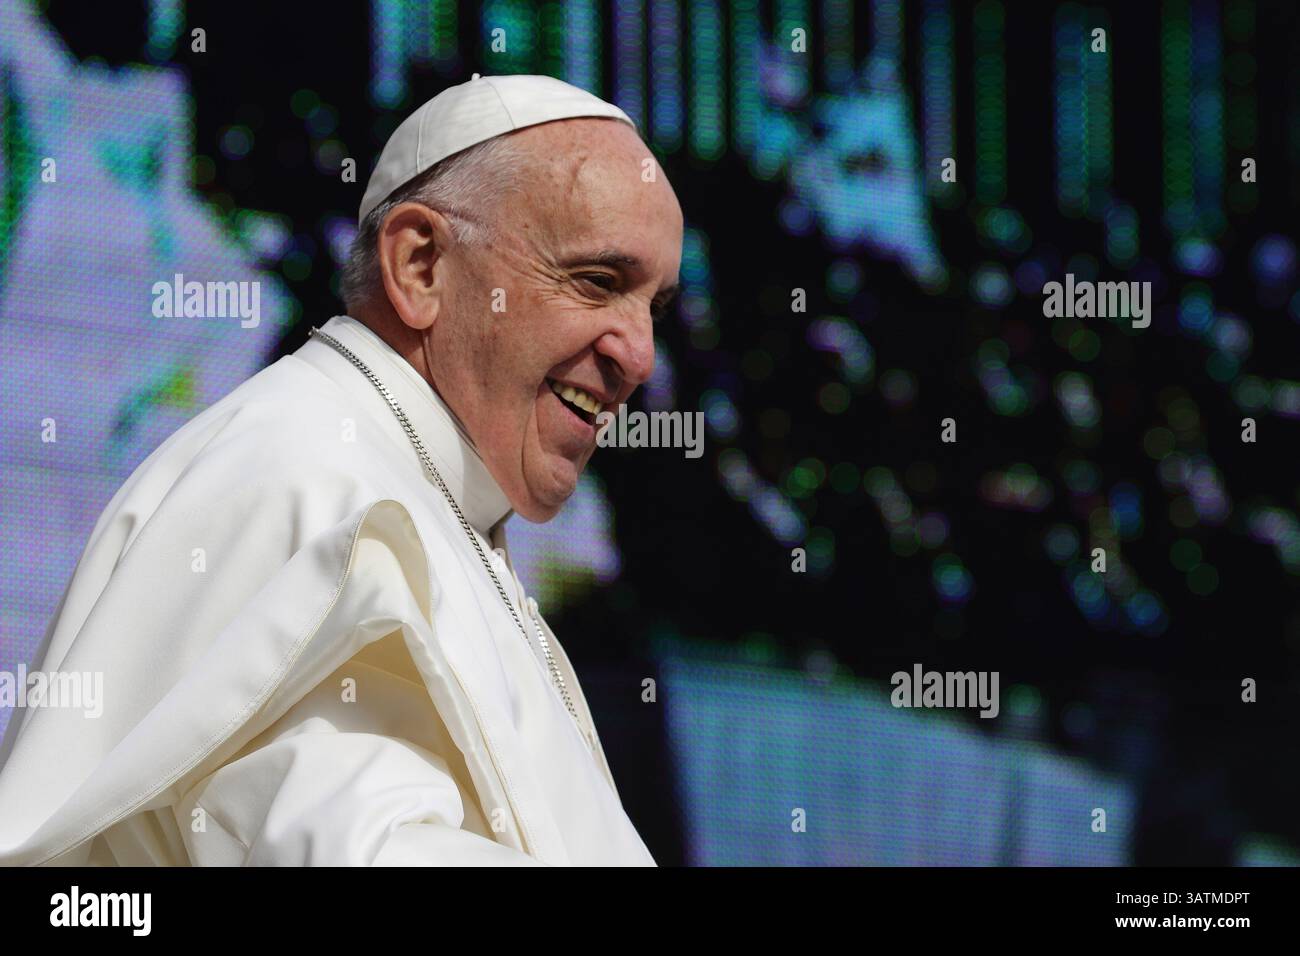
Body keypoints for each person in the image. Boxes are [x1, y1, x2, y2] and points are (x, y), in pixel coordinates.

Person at [0, 73, 684, 866]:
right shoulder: (326, 496)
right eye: (597, 282)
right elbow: (351, 841)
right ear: (421, 267)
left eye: (652, 309)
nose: (640, 356)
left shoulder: (415, 487)